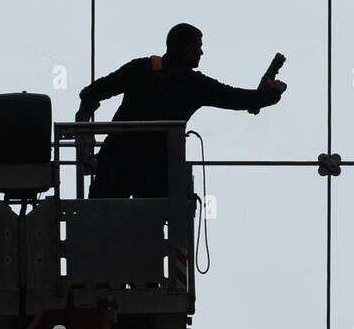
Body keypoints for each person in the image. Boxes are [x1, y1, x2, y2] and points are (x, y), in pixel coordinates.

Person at [75, 23, 287, 198]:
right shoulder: (193, 85)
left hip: (114, 163)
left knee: (97, 226)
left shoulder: (139, 68)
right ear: (186, 49)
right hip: (153, 172)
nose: (202, 52)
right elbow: (239, 99)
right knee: (149, 236)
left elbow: (90, 94)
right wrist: (272, 93)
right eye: (198, 46)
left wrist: (84, 139)